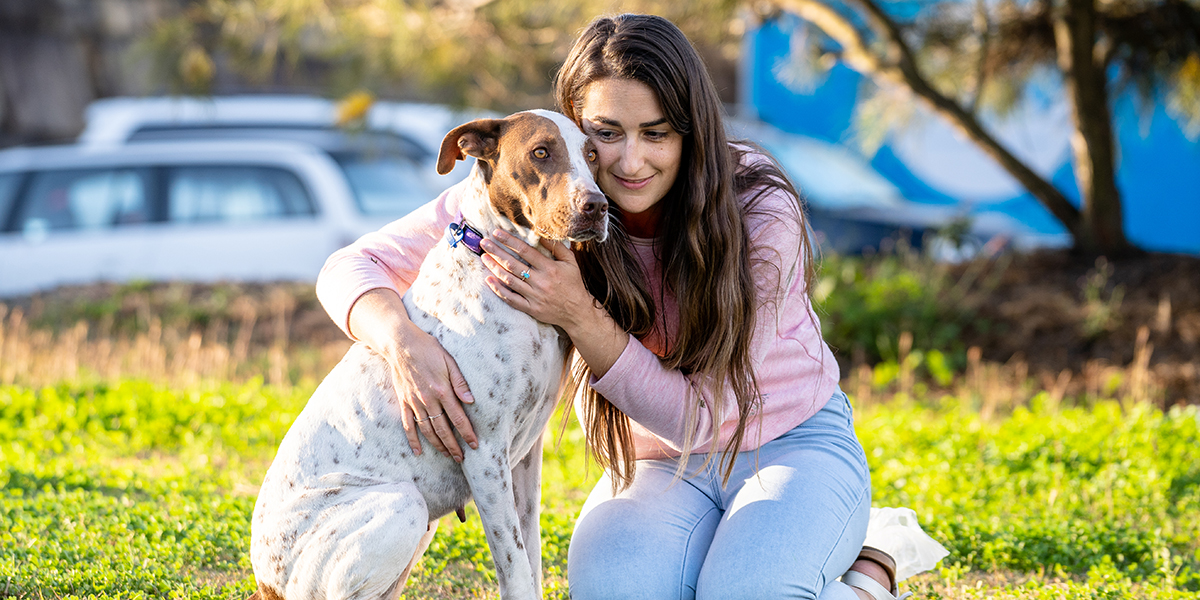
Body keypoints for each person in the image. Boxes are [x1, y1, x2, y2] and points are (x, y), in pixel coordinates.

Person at [316, 13, 907, 600]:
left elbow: (701, 417)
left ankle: (872, 572)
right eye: (606, 133)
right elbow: (349, 268)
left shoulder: (757, 208)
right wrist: (401, 341)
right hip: (657, 464)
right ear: (574, 129)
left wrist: (577, 313)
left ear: (692, 130)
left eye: (657, 133)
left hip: (787, 442)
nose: (628, 163)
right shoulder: (537, 200)